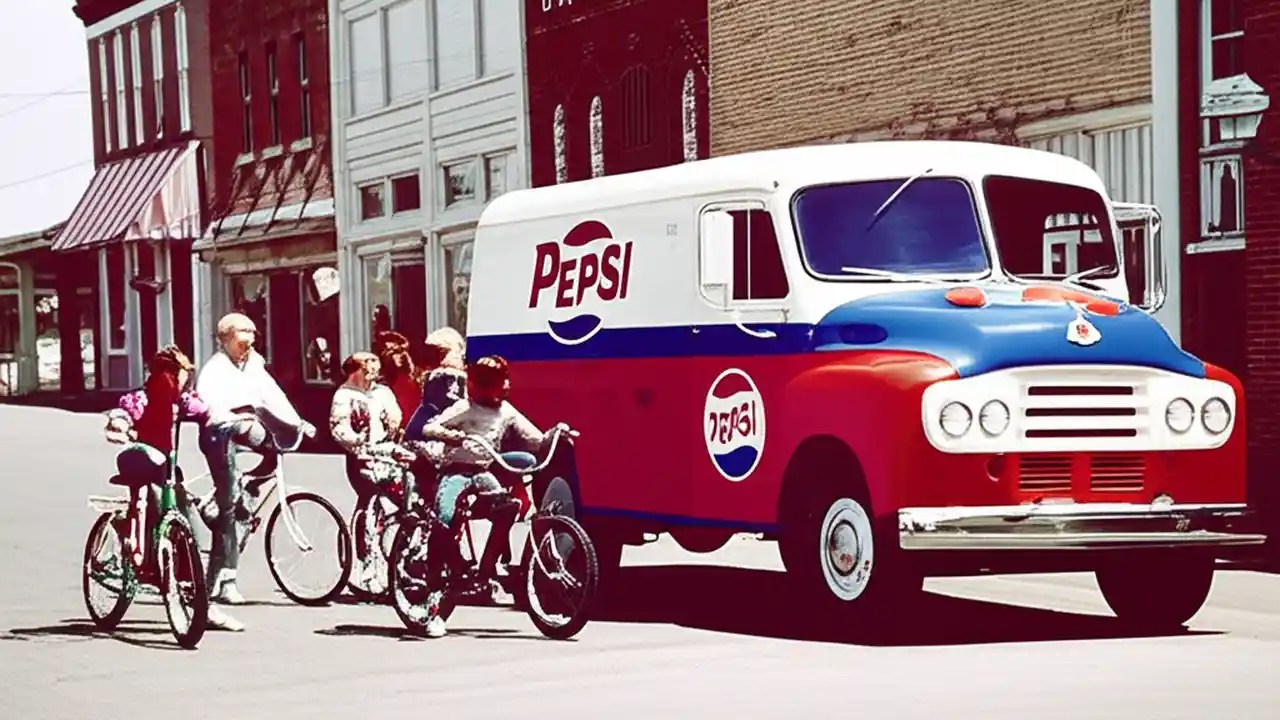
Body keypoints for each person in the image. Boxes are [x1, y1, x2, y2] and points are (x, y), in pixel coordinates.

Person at [417, 355, 566, 638]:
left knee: (507, 508)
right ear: (482, 386)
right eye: (500, 383)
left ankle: (487, 567)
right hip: (456, 472)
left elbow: (534, 439)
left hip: (483, 472)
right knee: (445, 517)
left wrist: (556, 433)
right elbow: (430, 427)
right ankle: (437, 591)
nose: (507, 387)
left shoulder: (506, 411)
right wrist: (454, 437)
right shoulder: (465, 407)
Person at [195, 312, 312, 629]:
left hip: (248, 429)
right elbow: (208, 405)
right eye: (242, 336)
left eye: (252, 336)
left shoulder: (254, 363)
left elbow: (272, 394)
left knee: (272, 457)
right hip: (220, 432)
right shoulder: (214, 369)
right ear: (226, 338)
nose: (249, 343)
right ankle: (223, 578)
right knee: (229, 510)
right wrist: (235, 417)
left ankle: (242, 492)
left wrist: (296, 422)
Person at [372, 330, 421, 433]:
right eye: (392, 352)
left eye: (401, 351)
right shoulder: (378, 385)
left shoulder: (417, 378)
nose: (399, 357)